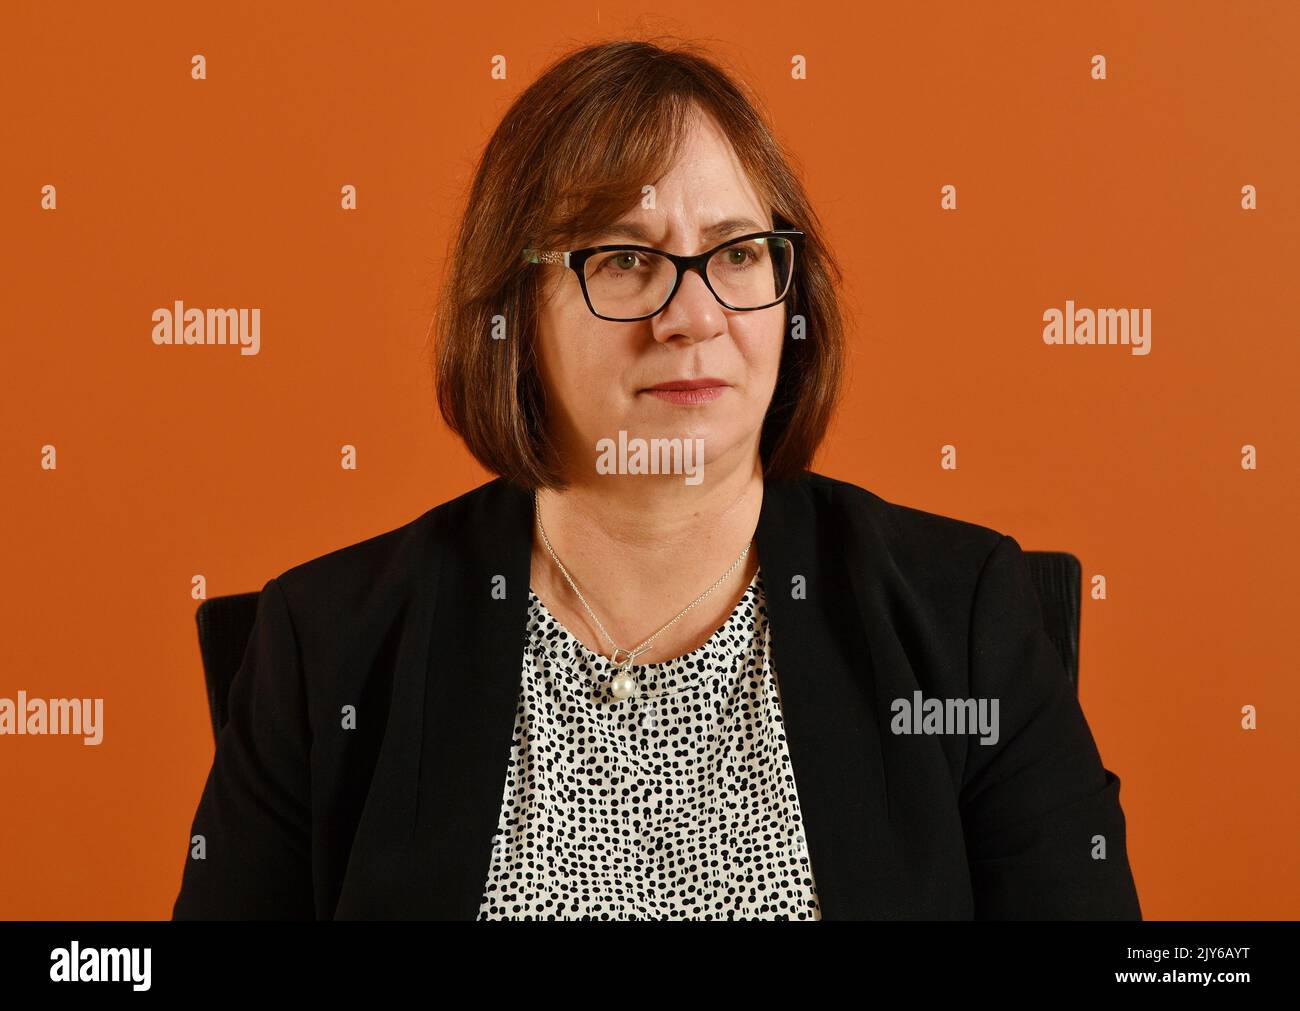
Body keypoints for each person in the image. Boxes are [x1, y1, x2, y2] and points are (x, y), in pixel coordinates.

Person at [172, 37, 1141, 921]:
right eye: (628, 259)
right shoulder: (327, 647)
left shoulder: (956, 616)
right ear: (514, 309)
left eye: (736, 252)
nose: (692, 315)